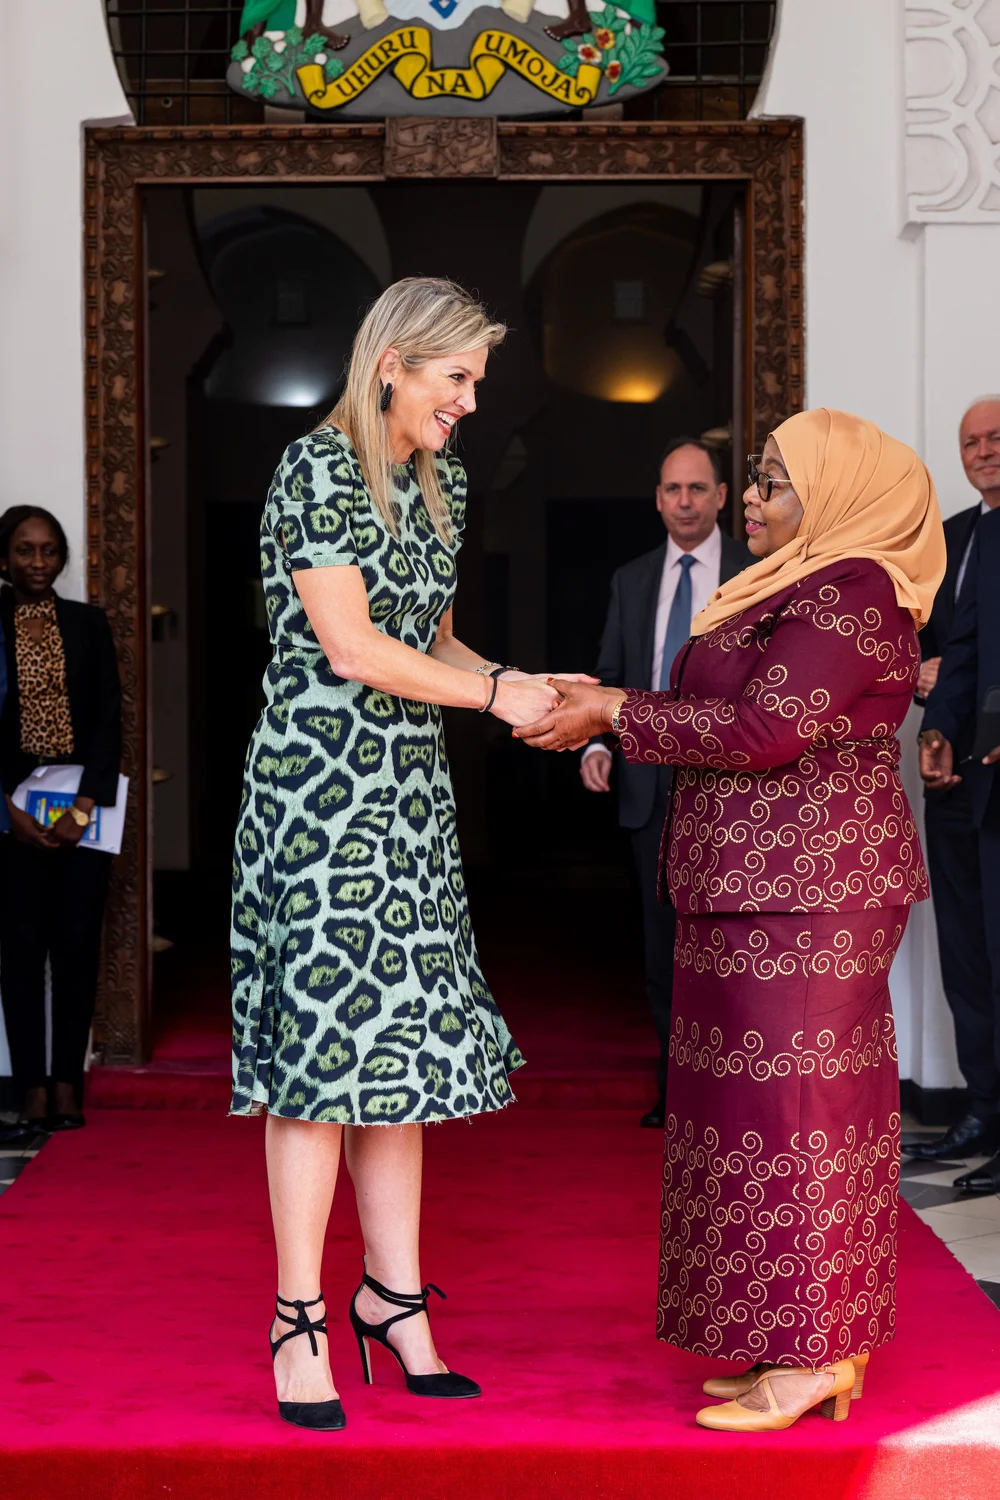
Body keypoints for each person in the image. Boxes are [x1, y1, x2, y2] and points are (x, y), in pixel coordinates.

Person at [515, 408, 945, 1432]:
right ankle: (782, 1333)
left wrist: (615, 710)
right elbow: (715, 704)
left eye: (772, 482)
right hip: (746, 890)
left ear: (836, 494)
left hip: (808, 895)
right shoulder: (786, 588)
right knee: (743, 1122)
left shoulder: (855, 595)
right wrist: (609, 698)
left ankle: (820, 1352)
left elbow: (763, 729)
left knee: (800, 1122)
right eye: (751, 479)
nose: (750, 498)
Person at [231, 277, 589, 1432]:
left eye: (476, 381)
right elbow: (350, 646)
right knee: (319, 1061)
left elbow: (426, 637)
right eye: (457, 378)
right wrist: (491, 695)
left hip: (406, 798)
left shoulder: (444, 479)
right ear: (392, 362)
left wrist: (526, 685)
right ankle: (298, 1319)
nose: (471, 402)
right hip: (317, 799)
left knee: (398, 1060)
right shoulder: (316, 467)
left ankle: (392, 1301)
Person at [580, 438, 751, 1127]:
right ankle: (676, 1093)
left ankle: (736, 1097)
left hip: (736, 790)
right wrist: (595, 741)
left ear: (719, 497)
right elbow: (611, 668)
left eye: (697, 489)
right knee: (662, 950)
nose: (684, 501)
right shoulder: (632, 578)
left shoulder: (757, 571)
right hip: (651, 784)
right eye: (672, 490)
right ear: (658, 499)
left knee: (735, 950)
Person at [0, 506, 122, 1143]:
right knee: (20, 953)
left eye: (49, 551)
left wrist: (82, 810)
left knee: (75, 948)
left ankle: (68, 1082)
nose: (39, 563)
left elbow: (109, 721)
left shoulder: (87, 624)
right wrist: (9, 811)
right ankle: (31, 1089)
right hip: (12, 816)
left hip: (82, 816)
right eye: (25, 551)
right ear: (4, 559)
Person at [907, 397, 1000, 1166]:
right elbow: (932, 647)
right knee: (967, 956)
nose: (983, 451)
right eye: (971, 442)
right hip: (949, 779)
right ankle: (982, 1110)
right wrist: (926, 683)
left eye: (996, 438)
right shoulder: (951, 539)